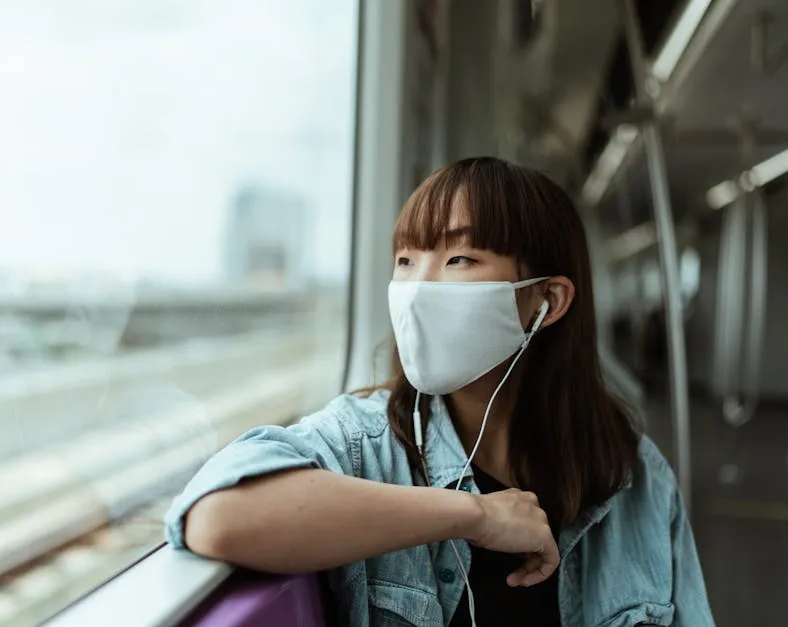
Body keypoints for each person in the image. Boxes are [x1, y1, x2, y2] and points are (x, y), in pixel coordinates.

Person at [164, 157, 714, 627]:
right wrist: (472, 515)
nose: (418, 287)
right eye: (406, 260)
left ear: (547, 301)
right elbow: (217, 515)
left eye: (458, 259)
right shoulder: (367, 443)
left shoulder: (633, 476)